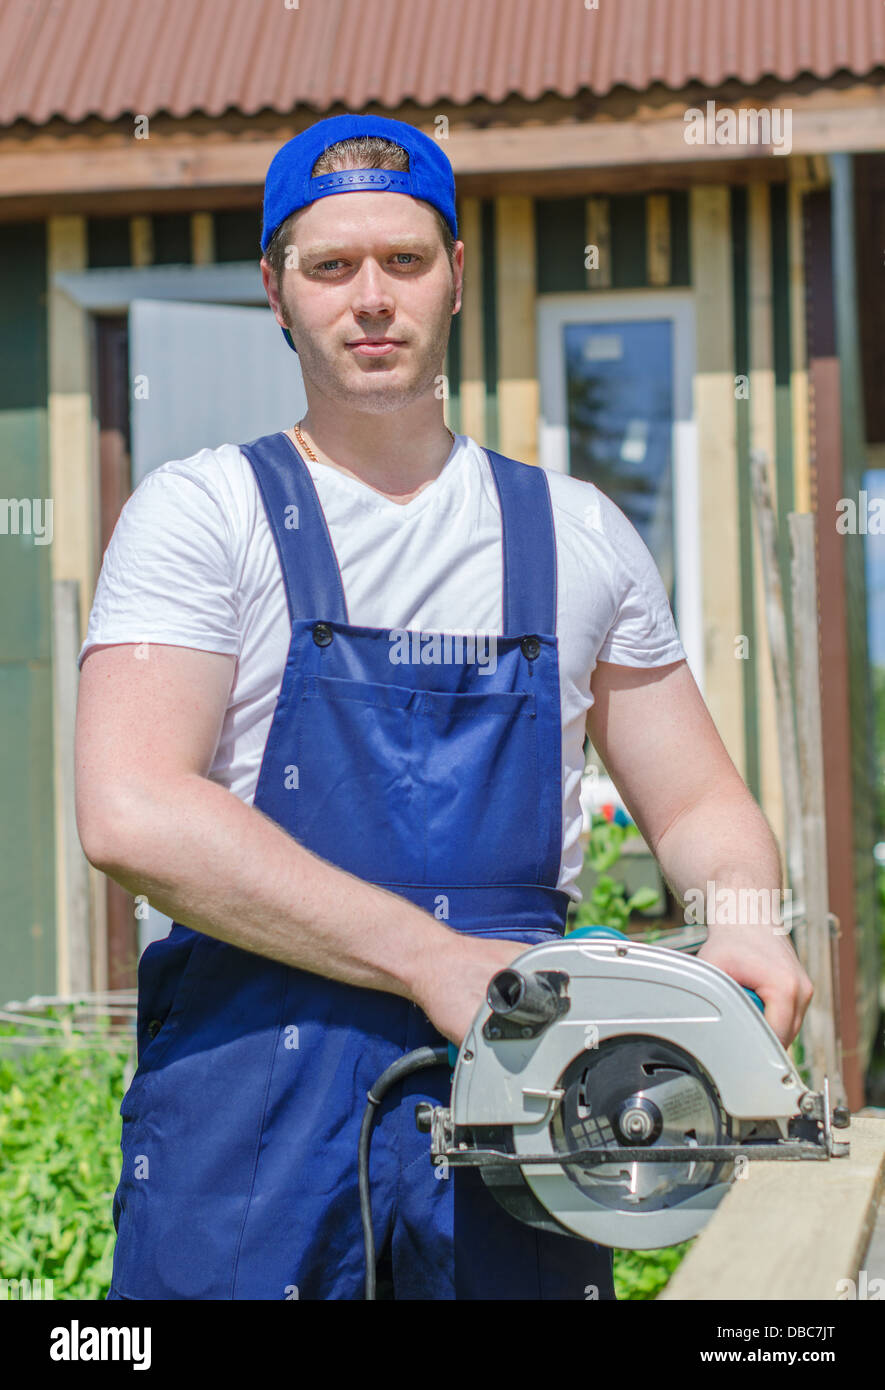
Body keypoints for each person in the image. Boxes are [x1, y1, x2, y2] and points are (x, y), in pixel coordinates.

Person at [75, 112, 813, 1301]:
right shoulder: (200, 514)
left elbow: (701, 804)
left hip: (518, 1107)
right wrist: (431, 960)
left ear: (457, 275)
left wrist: (744, 918)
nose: (371, 298)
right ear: (276, 289)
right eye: (331, 267)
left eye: (405, 262)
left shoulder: (579, 535)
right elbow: (132, 813)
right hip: (249, 1127)